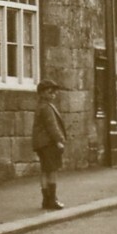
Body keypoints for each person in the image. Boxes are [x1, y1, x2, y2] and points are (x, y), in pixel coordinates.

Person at [32, 80, 67, 209]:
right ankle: (52, 200)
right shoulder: (46, 107)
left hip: (41, 144)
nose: (53, 94)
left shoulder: (41, 106)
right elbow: (52, 127)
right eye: (50, 91)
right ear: (42, 93)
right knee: (52, 171)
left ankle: (46, 200)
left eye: (54, 92)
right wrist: (59, 141)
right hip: (48, 143)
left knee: (45, 171)